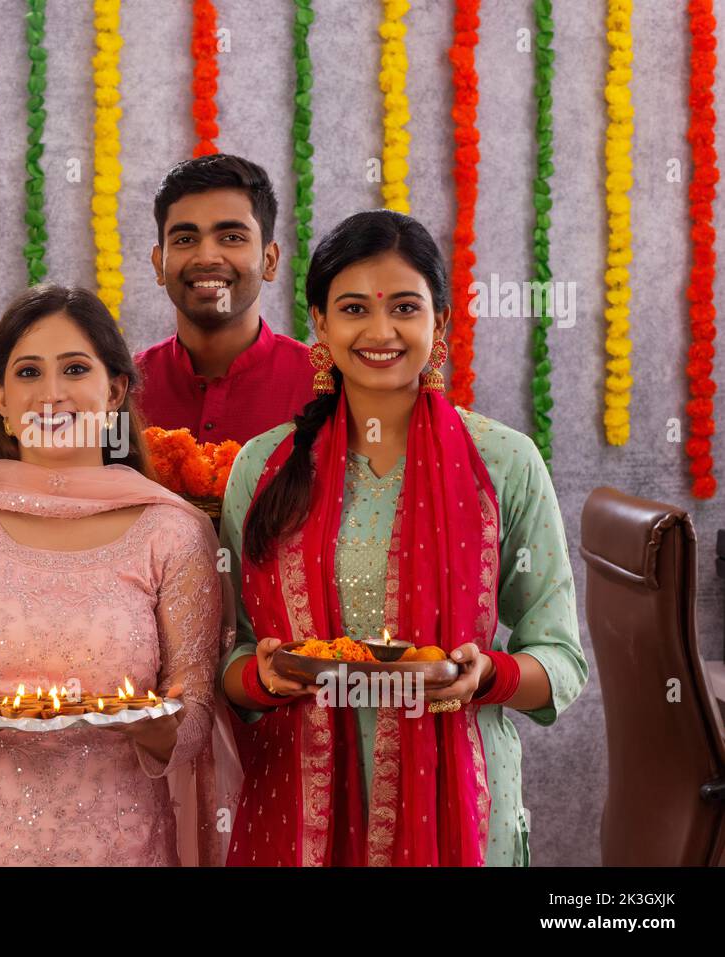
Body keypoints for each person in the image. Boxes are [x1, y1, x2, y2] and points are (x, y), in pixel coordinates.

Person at [219, 209, 588, 866]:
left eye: (405, 308)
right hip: (299, 808)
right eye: (355, 307)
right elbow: (230, 654)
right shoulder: (264, 467)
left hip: (463, 810)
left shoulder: (503, 461)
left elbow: (560, 659)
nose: (381, 331)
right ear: (321, 324)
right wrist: (265, 677)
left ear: (439, 323)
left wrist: (488, 675)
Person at [0, 284, 242, 866]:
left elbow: (195, 710)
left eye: (74, 368)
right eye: (29, 372)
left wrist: (157, 727)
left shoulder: (174, 531)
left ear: (114, 390)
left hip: (121, 847)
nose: (52, 393)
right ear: (1, 398)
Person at [134, 154, 316, 445]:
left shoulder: (326, 388)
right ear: (159, 264)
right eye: (185, 239)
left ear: (269, 261)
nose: (206, 257)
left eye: (232, 238)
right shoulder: (121, 391)